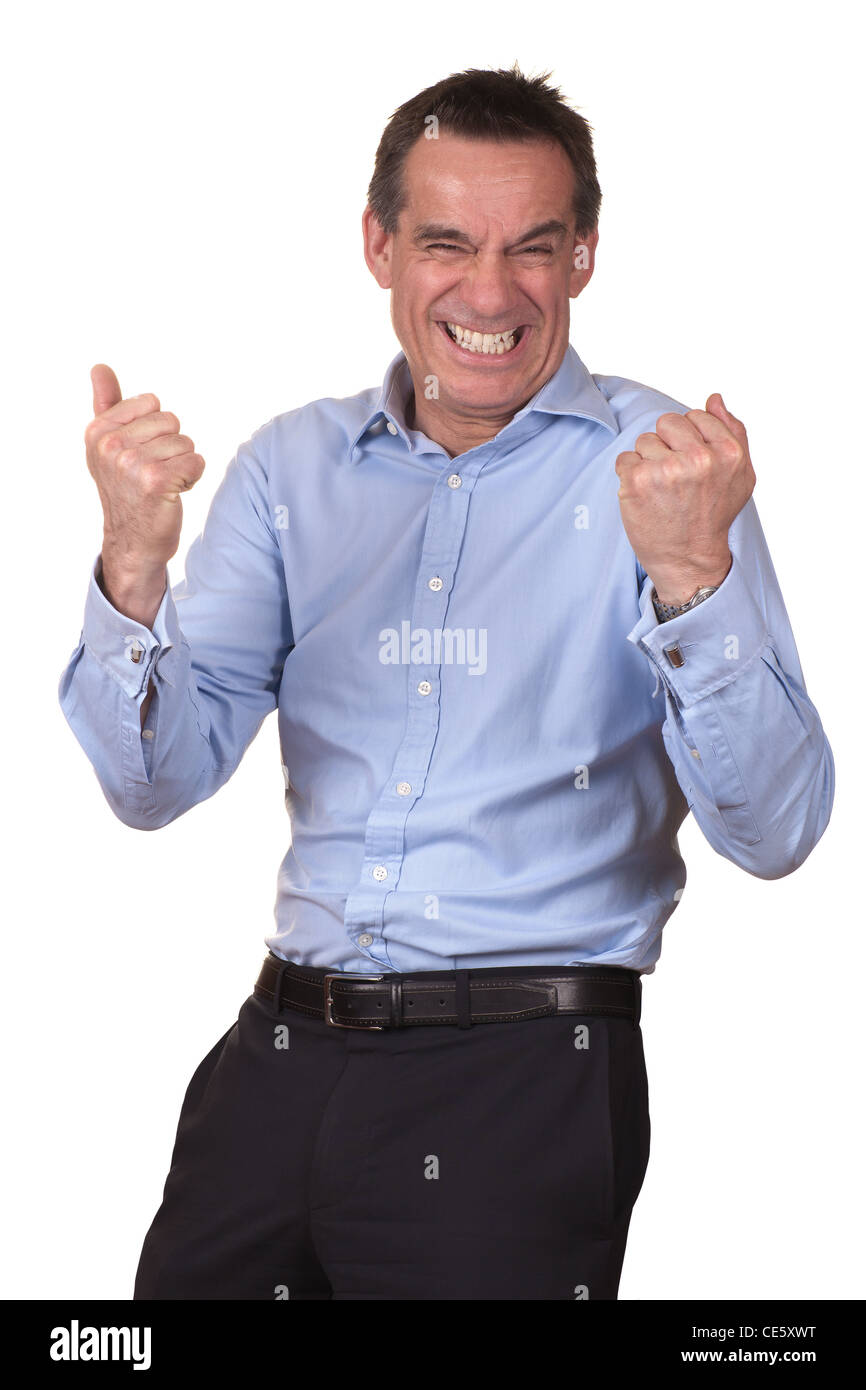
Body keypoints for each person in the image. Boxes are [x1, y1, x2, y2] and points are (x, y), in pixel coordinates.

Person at [58, 65, 834, 1301]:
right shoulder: (287, 470)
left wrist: (692, 572)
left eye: (533, 247)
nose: (488, 292)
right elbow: (152, 787)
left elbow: (775, 828)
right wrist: (132, 574)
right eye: (444, 244)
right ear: (376, 246)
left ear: (583, 254)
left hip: (524, 1078)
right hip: (275, 1064)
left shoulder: (668, 475)